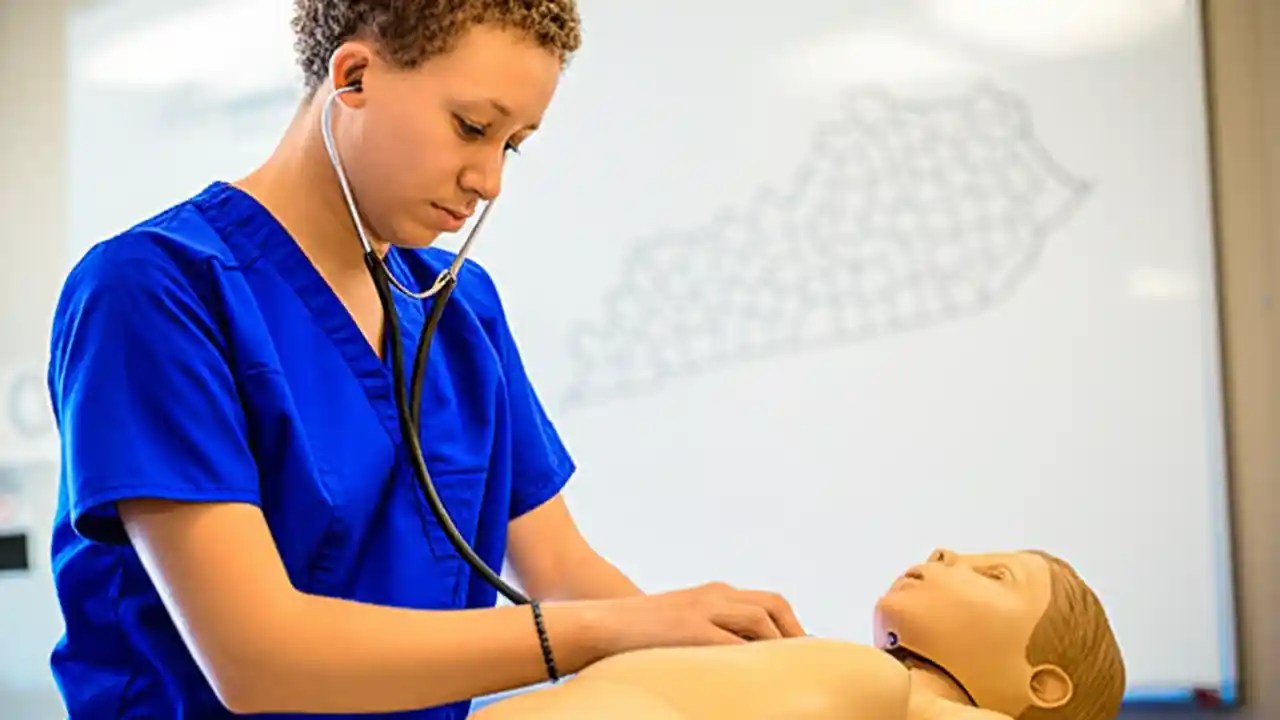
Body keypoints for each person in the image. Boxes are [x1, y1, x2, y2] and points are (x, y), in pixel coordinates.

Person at [43, 2, 806, 719]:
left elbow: (564, 571)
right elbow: (254, 657)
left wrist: (713, 662)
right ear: (355, 78)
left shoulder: (460, 309)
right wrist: (600, 631)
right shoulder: (154, 292)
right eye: (472, 127)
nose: (490, 180)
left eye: (513, 145)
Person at [469, 548, 1127, 720]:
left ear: (1041, 685)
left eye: (995, 575)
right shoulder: (858, 680)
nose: (948, 551)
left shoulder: (903, 700)